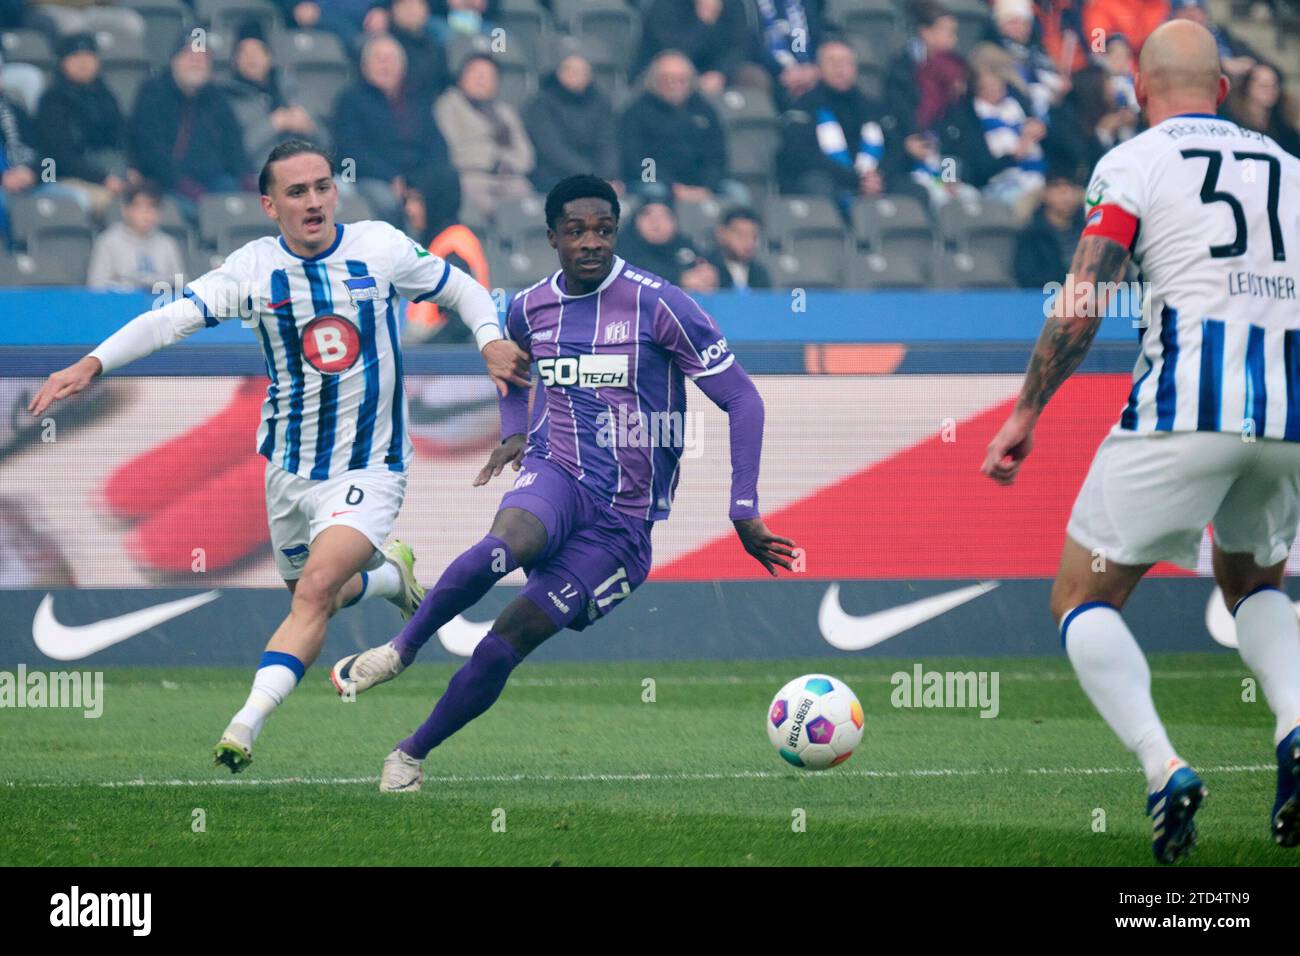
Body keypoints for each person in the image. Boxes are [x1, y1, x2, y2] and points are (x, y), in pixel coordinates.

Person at [28, 140, 532, 774]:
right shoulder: (253, 269)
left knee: (315, 591)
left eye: (322, 186)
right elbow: (169, 321)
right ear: (270, 205)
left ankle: (245, 724)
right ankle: (388, 577)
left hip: (370, 465)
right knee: (313, 591)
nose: (314, 200)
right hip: (288, 470)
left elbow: (463, 290)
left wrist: (489, 339)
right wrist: (92, 364)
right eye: (297, 192)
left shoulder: (378, 248)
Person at [329, 175, 797, 792]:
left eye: (603, 229)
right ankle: (401, 648)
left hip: (622, 525)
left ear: (616, 232)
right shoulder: (528, 307)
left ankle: (409, 755)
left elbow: (743, 399)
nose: (591, 242)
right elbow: (510, 369)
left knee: (504, 644)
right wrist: (517, 431)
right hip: (558, 471)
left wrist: (743, 508)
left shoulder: (659, 305)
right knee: (506, 543)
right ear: (552, 237)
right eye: (575, 231)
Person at [982, 20, 1300, 863]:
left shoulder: (1134, 162)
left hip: (1184, 409)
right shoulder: (1292, 171)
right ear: (1225, 92)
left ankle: (1164, 769)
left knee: (1081, 598)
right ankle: (1297, 726)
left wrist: (1026, 411)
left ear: (1138, 90)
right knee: (1253, 582)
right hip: (1289, 420)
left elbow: (1084, 298)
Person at [777, 38, 925, 215]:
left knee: (915, 191)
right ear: (818, 69)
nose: (840, 69)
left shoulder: (873, 107)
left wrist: (879, 176)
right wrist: (855, 180)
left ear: (855, 69)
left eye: (846, 63)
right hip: (833, 180)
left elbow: (895, 147)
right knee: (817, 185)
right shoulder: (803, 108)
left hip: (874, 179)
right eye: (832, 62)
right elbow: (802, 155)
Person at [331, 33, 459, 229]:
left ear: (403, 67)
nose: (386, 65)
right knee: (388, 202)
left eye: (391, 60)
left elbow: (436, 145)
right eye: (379, 60)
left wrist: (421, 183)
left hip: (415, 178)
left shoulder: (418, 100)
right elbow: (350, 153)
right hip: (371, 178)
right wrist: (390, 178)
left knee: (442, 196)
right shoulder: (351, 100)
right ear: (364, 66)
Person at [129, 33, 252, 209]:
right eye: (189, 55)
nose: (196, 62)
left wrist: (245, 178)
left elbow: (234, 145)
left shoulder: (216, 97)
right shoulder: (153, 93)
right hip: (166, 182)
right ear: (174, 60)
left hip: (213, 178)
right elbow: (150, 150)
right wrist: (180, 183)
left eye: (202, 57)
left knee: (240, 204)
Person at [618, 51, 734, 204]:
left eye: (682, 80)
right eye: (667, 79)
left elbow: (716, 156)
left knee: (737, 193)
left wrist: (707, 187)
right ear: (654, 81)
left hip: (699, 184)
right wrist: (672, 186)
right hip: (656, 182)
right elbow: (639, 161)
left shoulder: (705, 111)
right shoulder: (636, 112)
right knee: (655, 191)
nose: (675, 85)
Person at [34, 32, 128, 220]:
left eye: (88, 55)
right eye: (75, 56)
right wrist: (103, 178)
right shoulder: (52, 101)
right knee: (117, 206)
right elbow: (60, 156)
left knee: (149, 201)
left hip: (111, 172)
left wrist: (129, 172)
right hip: (67, 177)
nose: (83, 61)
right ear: (62, 63)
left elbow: (122, 141)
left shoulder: (106, 97)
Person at [434, 53, 535, 217]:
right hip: (470, 177)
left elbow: (526, 154)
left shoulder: (505, 112)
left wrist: (507, 163)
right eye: (475, 73)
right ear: (461, 78)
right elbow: (450, 151)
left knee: (528, 204)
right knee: (485, 208)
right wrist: (490, 161)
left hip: (509, 177)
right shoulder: (448, 106)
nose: (481, 79)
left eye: (488, 75)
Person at [222, 20, 320, 165]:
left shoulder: (292, 91)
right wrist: (273, 124)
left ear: (269, 57)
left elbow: (329, 145)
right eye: (243, 52)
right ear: (235, 61)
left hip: (303, 172)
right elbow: (231, 152)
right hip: (258, 177)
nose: (251, 57)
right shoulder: (226, 99)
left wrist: (310, 129)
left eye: (257, 51)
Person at [524, 52, 619, 193]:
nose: (574, 75)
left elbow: (608, 144)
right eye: (568, 69)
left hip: (597, 176)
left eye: (581, 71)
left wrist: (608, 176)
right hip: (553, 175)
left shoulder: (601, 103)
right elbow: (552, 150)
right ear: (558, 73)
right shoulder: (541, 104)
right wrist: (592, 177)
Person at [87, 182, 186, 290]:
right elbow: (96, 286)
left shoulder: (167, 243)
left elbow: (181, 284)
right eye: (140, 207)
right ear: (125, 210)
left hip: (161, 303)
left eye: (153, 207)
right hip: (121, 304)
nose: (147, 214)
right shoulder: (108, 241)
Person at [615, 195, 718, 290]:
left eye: (664, 216)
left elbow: (722, 275)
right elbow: (630, 273)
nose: (655, 222)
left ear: (674, 221)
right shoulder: (620, 246)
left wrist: (709, 276)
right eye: (647, 214)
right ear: (635, 220)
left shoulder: (685, 244)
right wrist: (680, 279)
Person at [1011, 163, 1083, 288]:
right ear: (1045, 194)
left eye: (1072, 189)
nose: (1067, 196)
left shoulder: (1091, 231)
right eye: (1059, 190)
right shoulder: (1032, 236)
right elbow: (1027, 278)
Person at [1222, 62, 1300, 158]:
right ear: (1247, 87)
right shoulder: (1231, 121)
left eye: (1274, 86)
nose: (1270, 90)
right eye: (1263, 85)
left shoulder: (1284, 126)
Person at [708, 206, 771, 290]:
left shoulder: (759, 273)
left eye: (754, 236)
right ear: (722, 234)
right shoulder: (708, 268)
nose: (748, 242)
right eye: (740, 235)